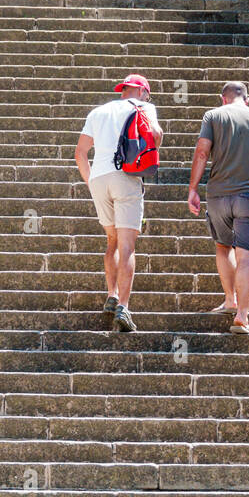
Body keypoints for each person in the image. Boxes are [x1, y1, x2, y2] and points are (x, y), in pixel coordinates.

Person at [186, 81, 249, 335]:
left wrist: (193, 189)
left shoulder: (213, 116)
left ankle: (230, 299)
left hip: (217, 196)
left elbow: (202, 153)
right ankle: (241, 316)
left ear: (223, 98)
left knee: (222, 246)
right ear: (247, 99)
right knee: (246, 255)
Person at [74, 72, 163, 332]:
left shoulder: (98, 112)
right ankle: (123, 306)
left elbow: (80, 153)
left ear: (123, 89)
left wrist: (91, 182)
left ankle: (111, 294)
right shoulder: (145, 106)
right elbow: (155, 135)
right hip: (126, 176)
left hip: (99, 179)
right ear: (142, 92)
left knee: (111, 241)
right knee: (127, 247)